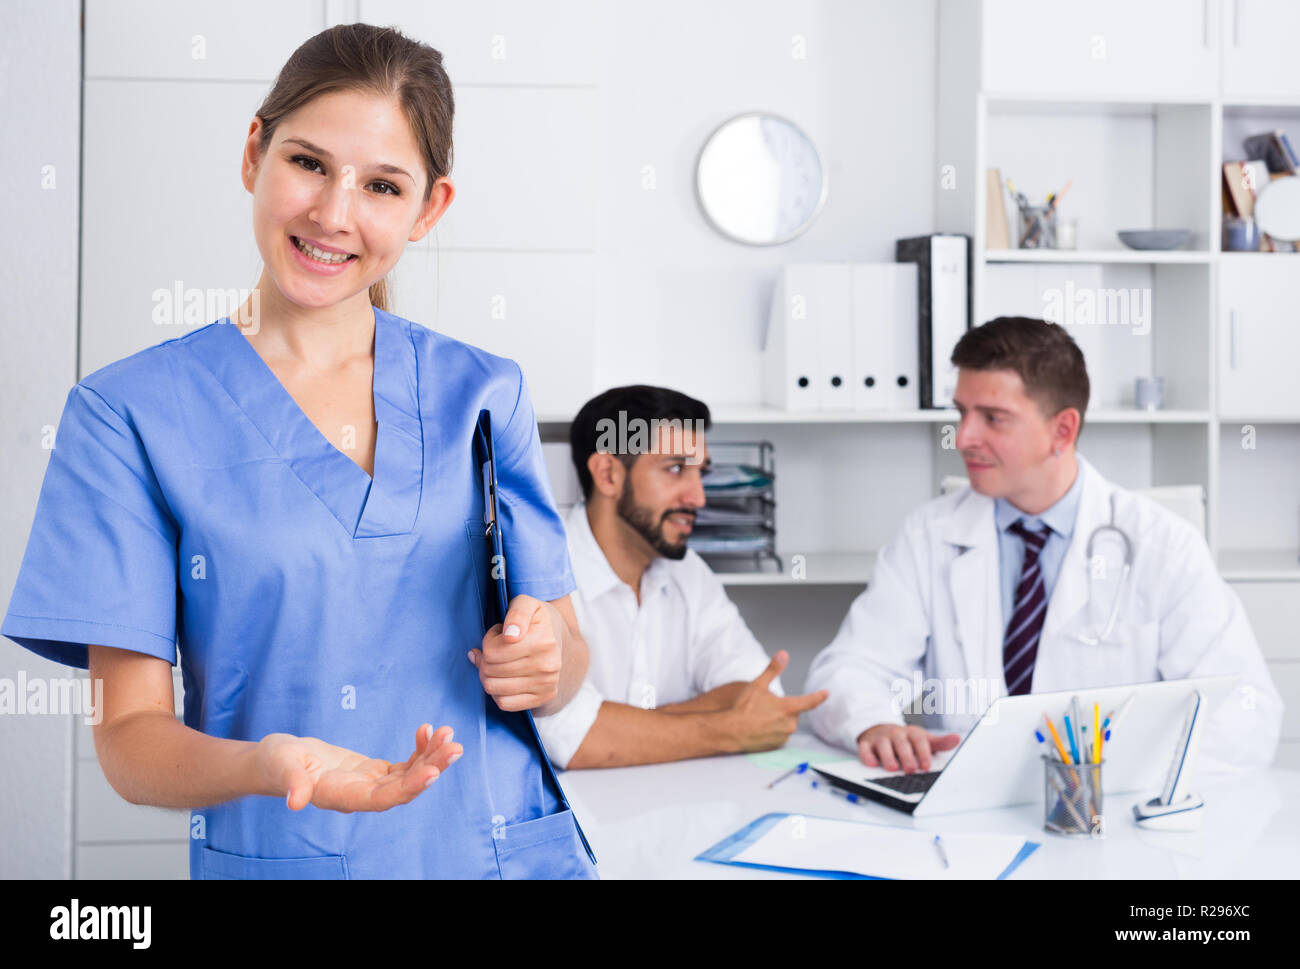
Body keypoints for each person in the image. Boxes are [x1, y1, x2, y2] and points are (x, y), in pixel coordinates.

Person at [1, 24, 598, 880]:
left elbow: (566, 656)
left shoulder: (483, 392)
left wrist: (545, 660)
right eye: (308, 164)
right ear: (255, 153)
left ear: (428, 209)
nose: (332, 214)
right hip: (287, 855)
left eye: (383, 185)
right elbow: (131, 742)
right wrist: (267, 764)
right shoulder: (126, 416)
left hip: (507, 854)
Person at [804, 317, 1283, 774]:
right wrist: (875, 722)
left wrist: (1107, 778)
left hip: (1107, 821)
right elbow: (849, 668)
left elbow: (1245, 715)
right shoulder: (927, 536)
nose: (964, 437)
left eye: (993, 418)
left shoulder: (1164, 546)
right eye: (962, 413)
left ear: (1063, 430)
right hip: (962, 822)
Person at [533, 385, 828, 769]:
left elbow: (765, 702)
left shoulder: (689, 573)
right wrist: (728, 729)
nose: (699, 497)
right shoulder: (542, 575)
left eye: (700, 473)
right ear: (608, 474)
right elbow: (573, 739)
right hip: (583, 823)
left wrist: (622, 728)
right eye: (675, 469)